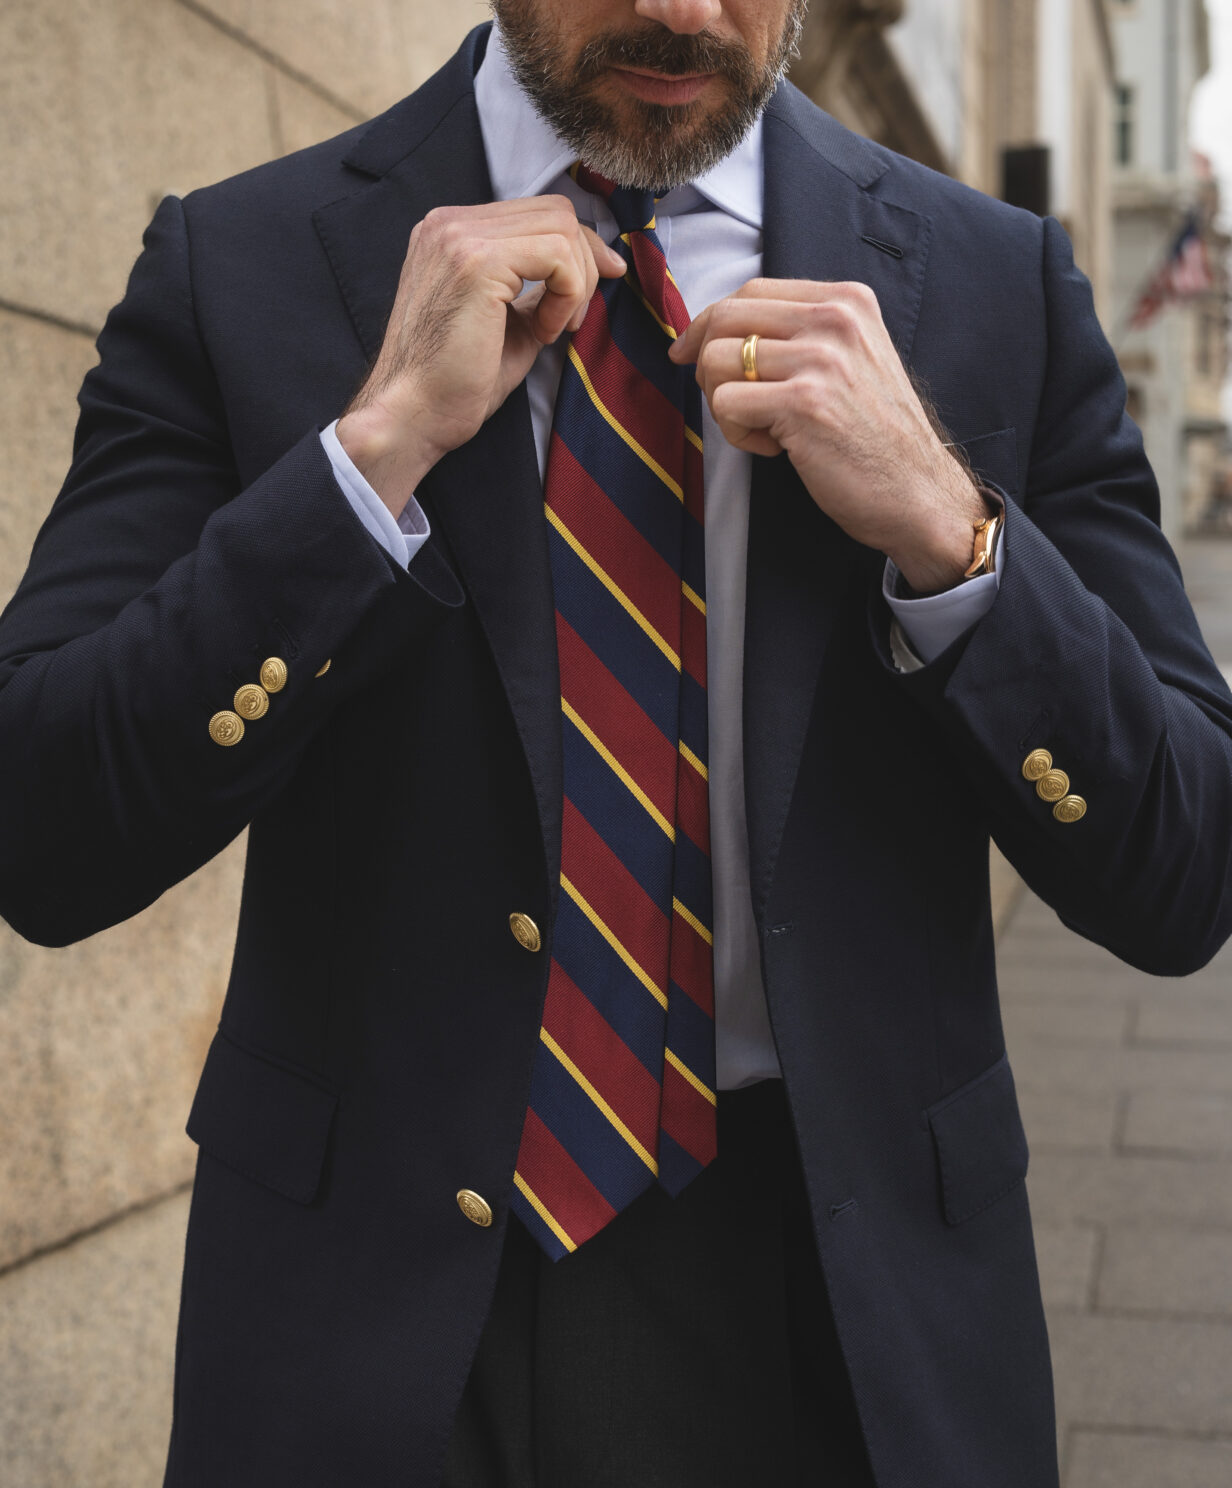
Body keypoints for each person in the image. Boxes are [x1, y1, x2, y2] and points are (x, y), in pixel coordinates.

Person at [2, 2, 1231, 1485]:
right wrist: (365, 461)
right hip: (373, 1336)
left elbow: (1185, 865)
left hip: (843, 1321)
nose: (686, 12)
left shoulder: (994, 285)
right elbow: (44, 830)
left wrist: (953, 535)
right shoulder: (243, 258)